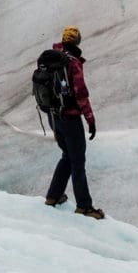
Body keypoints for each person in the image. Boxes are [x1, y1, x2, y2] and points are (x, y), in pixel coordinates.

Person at [43, 26, 103, 219]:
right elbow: (81, 94)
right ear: (77, 41)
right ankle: (84, 206)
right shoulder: (72, 63)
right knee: (77, 162)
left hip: (53, 117)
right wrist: (90, 121)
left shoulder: (51, 58)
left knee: (67, 156)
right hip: (70, 118)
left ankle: (54, 196)